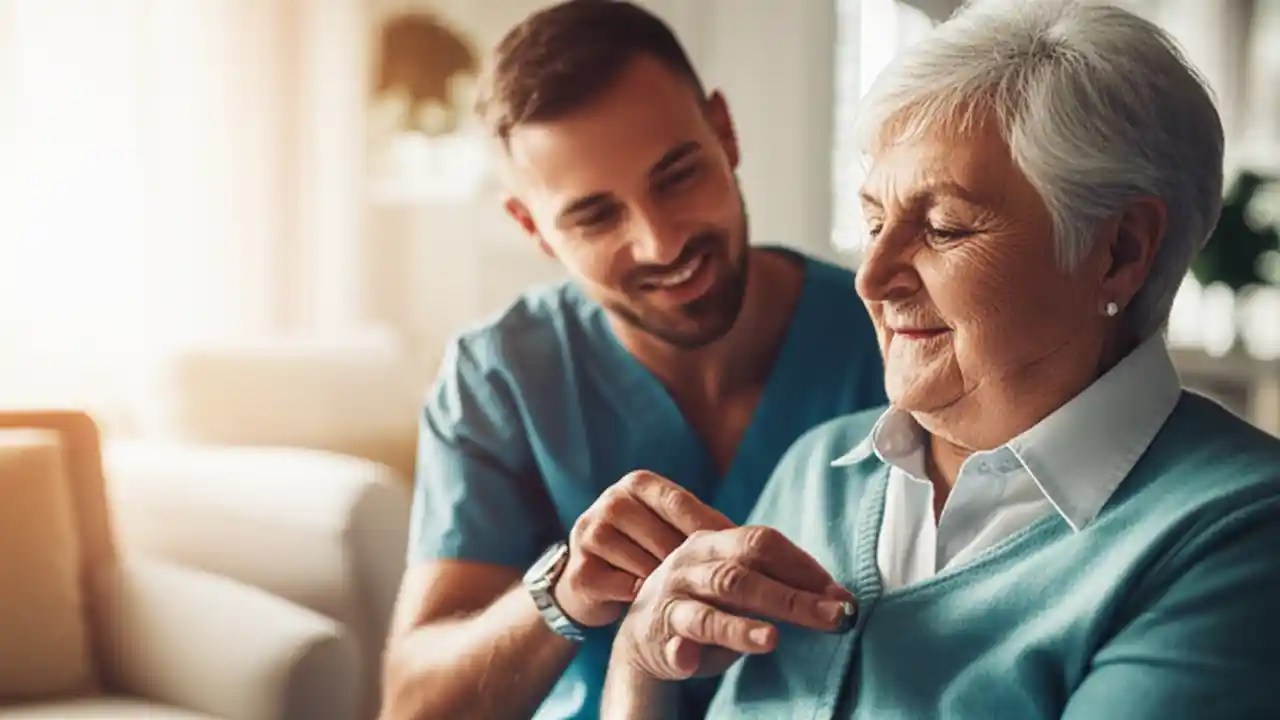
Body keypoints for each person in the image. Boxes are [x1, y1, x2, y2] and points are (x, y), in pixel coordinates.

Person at [602, 0, 1280, 717]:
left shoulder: (1240, 535)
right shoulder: (818, 469)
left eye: (944, 228)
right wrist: (640, 660)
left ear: (1119, 252)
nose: (871, 277)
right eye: (873, 223)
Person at [379, 2, 886, 718]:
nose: (661, 243)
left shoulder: (889, 332)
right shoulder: (496, 380)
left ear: (724, 132)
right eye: (594, 215)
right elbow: (412, 707)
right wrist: (563, 594)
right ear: (533, 229)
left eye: (677, 176)